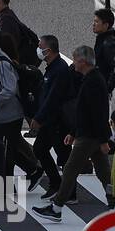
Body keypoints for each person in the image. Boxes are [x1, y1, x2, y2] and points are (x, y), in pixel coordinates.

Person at [32, 47, 114, 220]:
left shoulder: (93, 82)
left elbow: (98, 113)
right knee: (103, 171)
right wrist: (74, 132)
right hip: (89, 134)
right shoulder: (92, 79)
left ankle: (57, 207)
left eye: (75, 60)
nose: (73, 63)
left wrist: (102, 139)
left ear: (83, 62)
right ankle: (114, 201)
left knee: (70, 169)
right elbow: (85, 111)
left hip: (90, 136)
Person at [0, 27, 40, 185]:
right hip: (2, 115)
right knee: (3, 148)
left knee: (1, 150)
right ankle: (32, 170)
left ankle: (5, 183)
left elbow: (9, 89)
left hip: (9, 116)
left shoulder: (0, 62)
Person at [28, 35, 74, 199]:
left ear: (49, 50)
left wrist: (38, 118)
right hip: (50, 120)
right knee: (40, 149)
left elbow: (53, 98)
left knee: (63, 156)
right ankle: (56, 184)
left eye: (41, 46)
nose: (38, 49)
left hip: (58, 122)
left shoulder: (59, 70)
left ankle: (69, 191)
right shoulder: (52, 67)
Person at [92, 8, 115, 96]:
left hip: (102, 90)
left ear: (106, 25)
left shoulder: (109, 44)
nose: (93, 24)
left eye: (97, 22)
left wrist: (108, 88)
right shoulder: (102, 39)